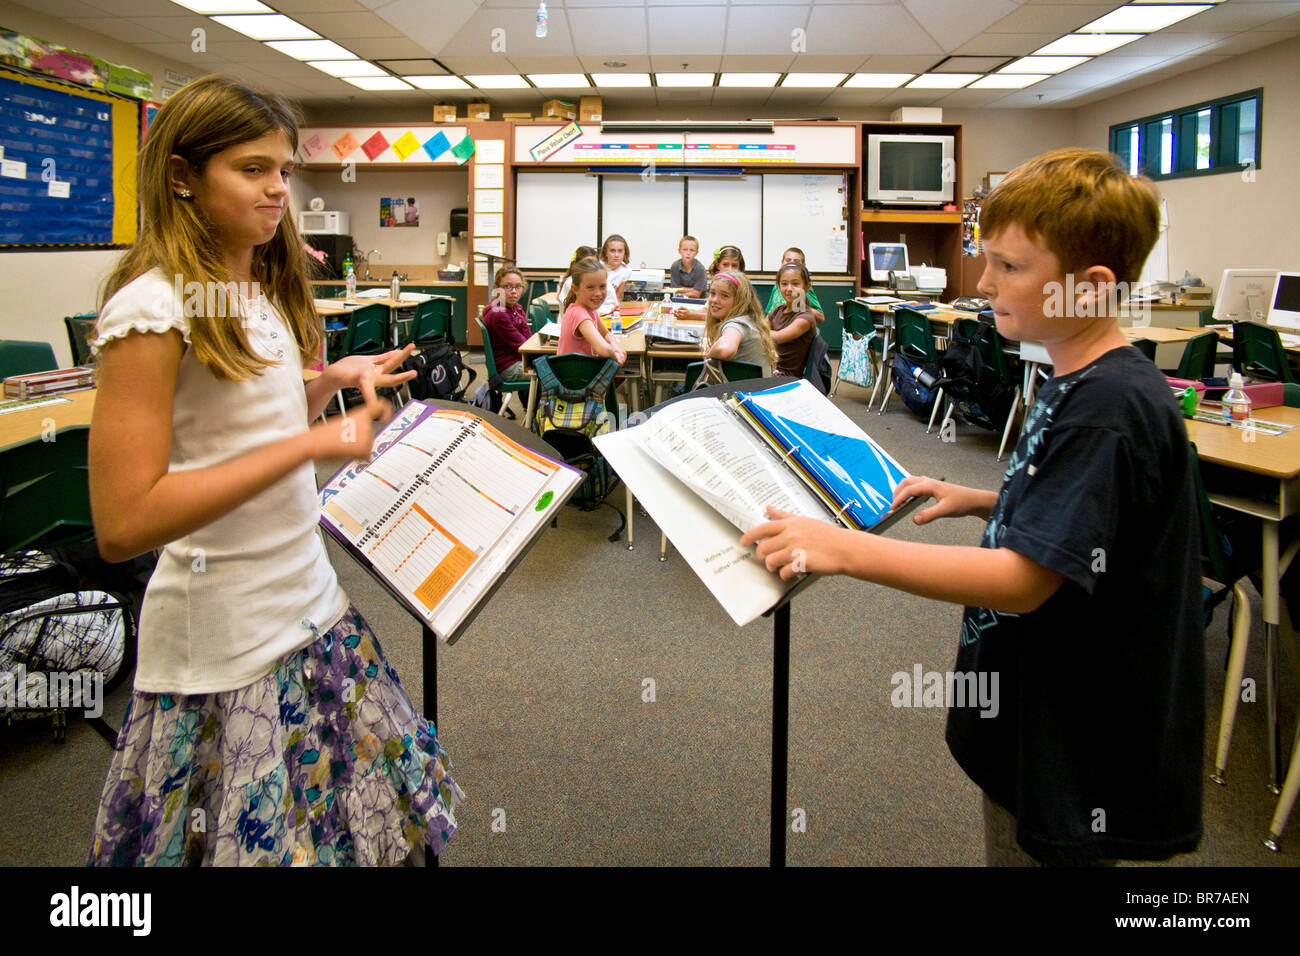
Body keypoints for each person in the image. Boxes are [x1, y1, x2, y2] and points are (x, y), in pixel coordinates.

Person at [742, 147, 1202, 866]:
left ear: (1091, 286)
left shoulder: (1107, 407)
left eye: (1010, 267)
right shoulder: (1077, 377)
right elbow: (1080, 509)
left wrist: (844, 550)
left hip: (1079, 746)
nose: (984, 282)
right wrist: (985, 498)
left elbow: (1024, 581)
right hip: (1034, 710)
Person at [85, 75, 463, 867]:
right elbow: (123, 523)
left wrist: (326, 379)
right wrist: (311, 445)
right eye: (252, 169)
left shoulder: (245, 286)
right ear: (182, 177)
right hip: (225, 643)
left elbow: (236, 416)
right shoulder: (152, 307)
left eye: (284, 170)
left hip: (307, 606)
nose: (278, 189)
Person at [700, 270, 776, 383]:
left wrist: (709, 353)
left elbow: (724, 349)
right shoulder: (749, 320)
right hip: (758, 392)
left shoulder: (735, 324)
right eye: (712, 293)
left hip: (748, 396)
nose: (715, 300)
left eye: (725, 296)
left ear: (741, 300)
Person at [557, 257, 626, 366]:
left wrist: (615, 345)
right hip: (574, 378)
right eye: (590, 287)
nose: (598, 293)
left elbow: (606, 334)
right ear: (575, 289)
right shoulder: (579, 314)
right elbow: (603, 350)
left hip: (582, 374)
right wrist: (617, 357)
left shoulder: (590, 310)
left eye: (602, 286)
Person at [766, 262, 817, 378]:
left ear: (807, 287)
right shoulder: (777, 310)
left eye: (795, 284)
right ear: (779, 287)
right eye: (784, 284)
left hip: (785, 376)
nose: (789, 289)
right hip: (770, 366)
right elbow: (761, 330)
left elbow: (778, 337)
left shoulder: (805, 317)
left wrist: (756, 331)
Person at [483, 264, 530, 383]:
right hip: (508, 367)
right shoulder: (498, 314)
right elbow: (521, 346)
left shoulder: (516, 308)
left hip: (518, 359)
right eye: (508, 287)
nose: (514, 292)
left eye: (518, 287)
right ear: (496, 288)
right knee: (552, 372)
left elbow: (528, 337)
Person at [763, 247, 823, 316]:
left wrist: (800, 307)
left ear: (803, 265)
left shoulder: (804, 287)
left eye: (796, 261)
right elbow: (769, 312)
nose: (791, 263)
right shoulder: (777, 286)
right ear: (782, 263)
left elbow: (820, 316)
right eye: (788, 260)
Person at [599, 234, 632, 313]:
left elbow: (616, 298)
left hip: (609, 310)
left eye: (620, 251)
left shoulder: (626, 271)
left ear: (624, 253)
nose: (616, 255)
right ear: (606, 253)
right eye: (612, 251)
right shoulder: (597, 267)